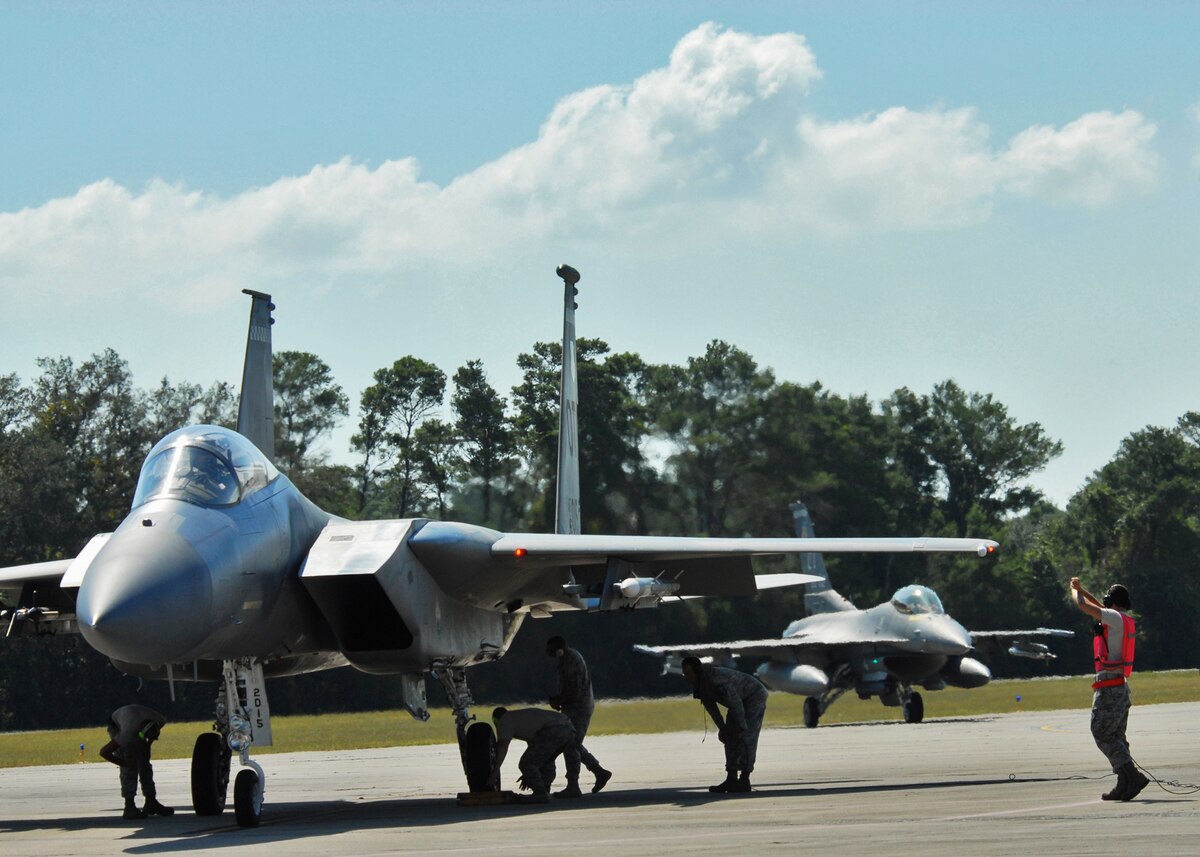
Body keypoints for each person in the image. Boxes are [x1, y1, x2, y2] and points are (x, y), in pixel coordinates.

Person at [1069, 577, 1150, 802]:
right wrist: (1082, 589)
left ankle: (1132, 776)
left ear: (1111, 600)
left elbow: (1084, 606)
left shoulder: (1114, 618)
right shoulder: (1122, 619)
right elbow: (1099, 607)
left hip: (1110, 688)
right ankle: (1124, 782)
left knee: (1102, 732)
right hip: (1120, 686)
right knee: (1116, 736)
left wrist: (1074, 591)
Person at [680, 656, 768, 793]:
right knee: (730, 736)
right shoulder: (701, 684)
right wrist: (723, 728)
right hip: (737, 702)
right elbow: (712, 709)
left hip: (753, 696)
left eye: (688, 673)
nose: (685, 677)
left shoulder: (717, 681)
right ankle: (731, 779)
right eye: (684, 673)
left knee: (747, 737)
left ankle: (745, 779)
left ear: (697, 671)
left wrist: (741, 727)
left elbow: (736, 705)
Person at [546, 634, 612, 797]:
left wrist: (558, 701)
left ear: (558, 650)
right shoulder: (567, 659)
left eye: (550, 649)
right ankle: (599, 771)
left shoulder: (571, 662)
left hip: (579, 708)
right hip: (574, 707)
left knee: (571, 746)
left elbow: (575, 691)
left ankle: (573, 786)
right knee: (571, 742)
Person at [98, 704, 174, 819]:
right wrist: (124, 763)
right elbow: (104, 752)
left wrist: (146, 748)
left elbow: (150, 737)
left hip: (136, 722)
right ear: (140, 733)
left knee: (145, 765)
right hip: (118, 725)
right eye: (144, 738)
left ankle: (151, 801)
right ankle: (129, 807)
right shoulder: (126, 734)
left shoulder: (160, 720)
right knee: (130, 767)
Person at [488, 706, 576, 804]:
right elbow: (536, 755)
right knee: (545, 761)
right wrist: (528, 775)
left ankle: (540, 794)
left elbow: (503, 746)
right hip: (568, 727)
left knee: (526, 763)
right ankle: (545, 789)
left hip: (552, 728)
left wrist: (494, 772)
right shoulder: (520, 718)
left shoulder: (505, 720)